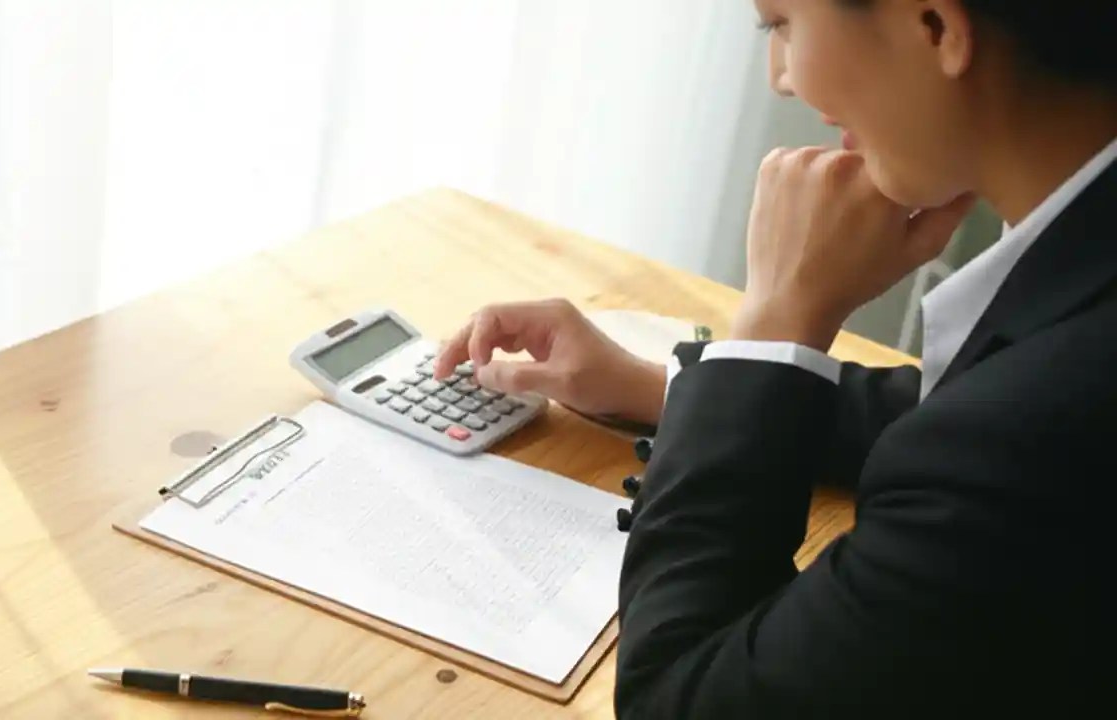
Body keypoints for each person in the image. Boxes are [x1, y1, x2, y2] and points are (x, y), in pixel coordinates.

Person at [433, 0, 1116, 717]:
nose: (780, 76)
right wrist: (668, 388)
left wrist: (776, 317)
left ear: (935, 25)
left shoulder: (1033, 443)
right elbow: (956, 407)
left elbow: (675, 697)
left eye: (781, 22)